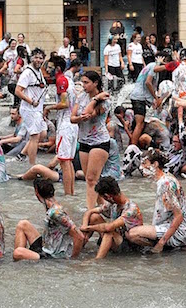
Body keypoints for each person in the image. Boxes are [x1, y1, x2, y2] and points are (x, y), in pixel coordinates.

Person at [124, 149, 186, 252]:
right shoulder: (164, 179)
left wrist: (161, 243)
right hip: (167, 227)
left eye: (144, 164)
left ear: (155, 164)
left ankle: (160, 248)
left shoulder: (165, 183)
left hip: (178, 233)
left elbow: (179, 216)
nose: (141, 167)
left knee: (132, 234)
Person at [13, 179, 86, 261]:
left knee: (18, 252)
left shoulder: (55, 213)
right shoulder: (51, 205)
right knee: (23, 224)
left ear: (36, 192)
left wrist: (73, 260)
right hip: (47, 246)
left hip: (53, 256)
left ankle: (20, 261)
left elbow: (79, 236)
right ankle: (21, 261)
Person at [72, 71, 112, 209]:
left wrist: (95, 99)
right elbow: (73, 118)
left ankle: (89, 212)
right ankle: (105, 205)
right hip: (83, 141)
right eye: (82, 82)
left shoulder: (105, 99)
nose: (83, 85)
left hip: (99, 142)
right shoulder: (81, 97)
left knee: (91, 179)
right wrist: (78, 119)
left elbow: (88, 113)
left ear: (95, 83)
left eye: (86, 82)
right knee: (90, 180)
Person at [79, 177, 143, 259]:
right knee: (94, 217)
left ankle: (97, 260)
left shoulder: (131, 209)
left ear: (107, 196)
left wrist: (88, 228)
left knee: (108, 232)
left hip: (129, 245)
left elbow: (109, 227)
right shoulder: (112, 203)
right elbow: (89, 212)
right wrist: (84, 227)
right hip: (117, 237)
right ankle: (80, 247)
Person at [42, 56, 76, 195]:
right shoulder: (69, 80)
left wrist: (48, 108)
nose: (48, 70)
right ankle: (71, 194)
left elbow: (64, 104)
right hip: (73, 125)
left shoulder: (61, 80)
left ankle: (68, 196)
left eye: (50, 67)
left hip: (65, 125)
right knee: (68, 162)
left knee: (64, 162)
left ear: (58, 68)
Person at [14, 48, 47, 165]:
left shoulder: (39, 71)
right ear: (32, 58)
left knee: (43, 134)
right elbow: (18, 91)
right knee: (35, 136)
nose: (38, 60)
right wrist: (31, 101)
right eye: (36, 57)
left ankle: (22, 153)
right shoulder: (27, 72)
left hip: (37, 109)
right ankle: (32, 165)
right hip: (30, 109)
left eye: (41, 58)